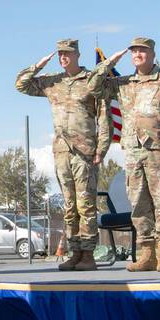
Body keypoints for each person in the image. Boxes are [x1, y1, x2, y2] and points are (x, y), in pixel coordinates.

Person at [15, 38, 114, 270]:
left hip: (85, 152)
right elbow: (21, 85)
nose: (63, 58)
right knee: (69, 206)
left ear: (78, 55)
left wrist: (102, 149)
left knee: (86, 205)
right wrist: (37, 66)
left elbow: (104, 117)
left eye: (67, 53)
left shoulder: (91, 80)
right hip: (62, 151)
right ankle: (75, 252)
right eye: (60, 54)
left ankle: (88, 254)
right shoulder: (53, 82)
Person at [97, 38, 160, 272]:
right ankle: (146, 252)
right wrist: (109, 63)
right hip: (133, 151)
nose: (138, 54)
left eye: (143, 50)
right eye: (134, 51)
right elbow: (93, 86)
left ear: (152, 53)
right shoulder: (124, 82)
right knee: (138, 203)